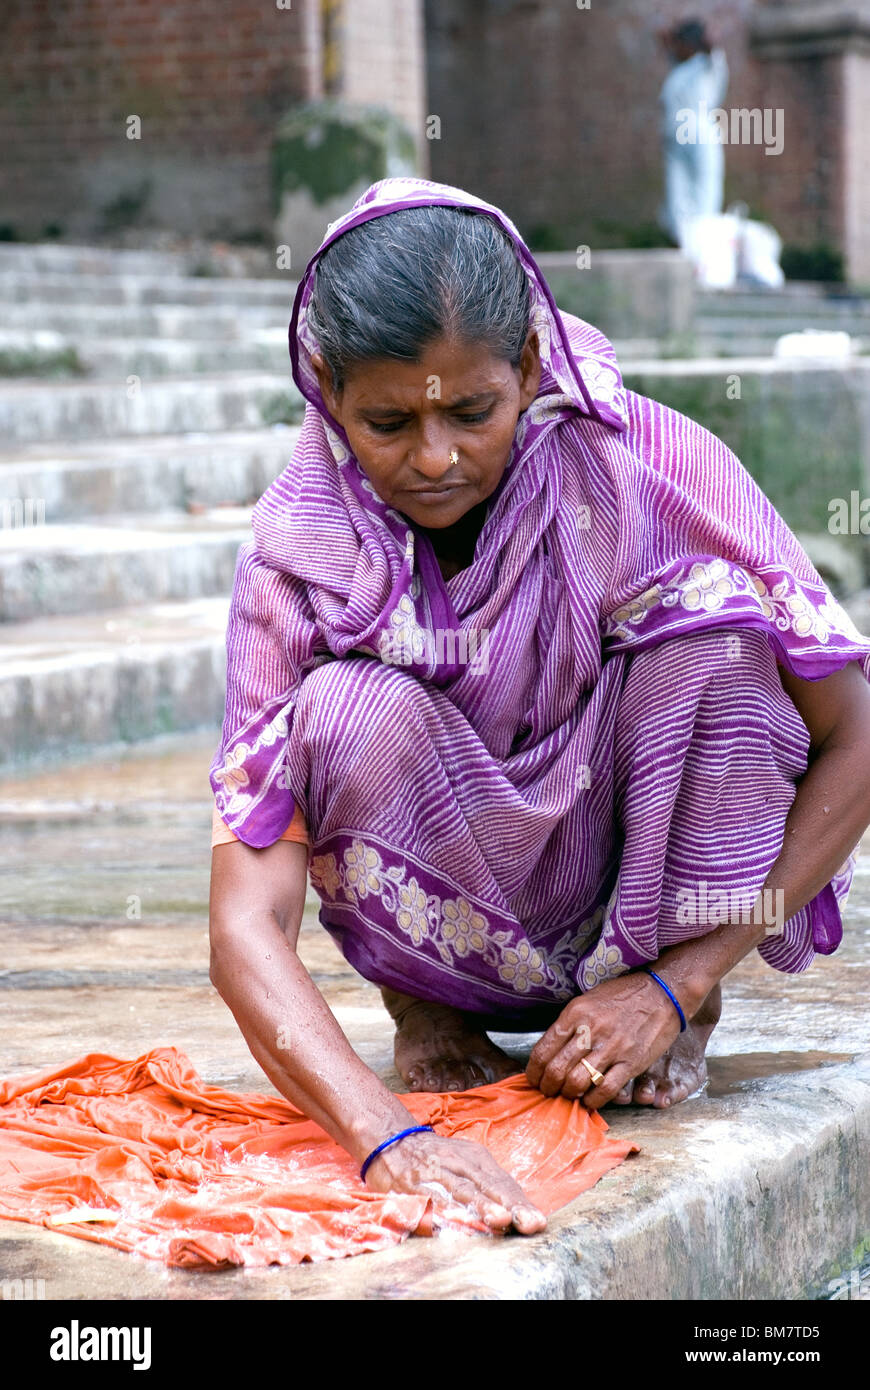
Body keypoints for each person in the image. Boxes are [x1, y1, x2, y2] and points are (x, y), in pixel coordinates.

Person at [208, 176, 870, 1236]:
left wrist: (674, 980)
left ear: (527, 367)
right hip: (441, 928)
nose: (435, 457)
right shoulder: (296, 558)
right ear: (326, 389)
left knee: (718, 635)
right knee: (337, 711)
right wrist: (388, 1138)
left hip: (642, 910)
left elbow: (857, 738)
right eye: (388, 421)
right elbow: (244, 923)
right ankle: (427, 1008)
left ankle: (677, 999)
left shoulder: (639, 463)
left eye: (473, 411)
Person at [658, 18, 729, 246]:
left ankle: (705, 245)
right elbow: (670, 49)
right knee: (678, 194)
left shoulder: (706, 64)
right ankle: (684, 244)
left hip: (698, 132)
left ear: (691, 44)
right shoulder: (680, 69)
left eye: (681, 43)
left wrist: (710, 44)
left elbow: (713, 56)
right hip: (675, 137)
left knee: (705, 190)